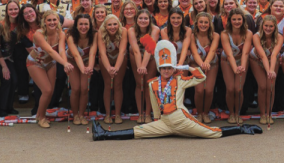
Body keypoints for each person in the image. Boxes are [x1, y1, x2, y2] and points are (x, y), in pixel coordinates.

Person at [91, 40, 262, 140]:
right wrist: (156, 121)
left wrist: (186, 66)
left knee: (212, 134)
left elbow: (201, 77)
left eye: (169, 68)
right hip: (164, 122)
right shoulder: (152, 83)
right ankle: (103, 135)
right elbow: (155, 106)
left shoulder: (179, 79)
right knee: (138, 132)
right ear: (159, 68)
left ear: (173, 69)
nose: (166, 71)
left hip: (181, 119)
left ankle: (242, 129)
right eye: (163, 68)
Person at [220, 8, 252, 124]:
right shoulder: (224, 34)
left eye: (239, 19)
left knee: (238, 89)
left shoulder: (248, 33)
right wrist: (235, 69)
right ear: (230, 20)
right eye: (234, 19)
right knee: (230, 88)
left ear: (243, 20)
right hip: (227, 61)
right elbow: (229, 54)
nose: (237, 22)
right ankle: (231, 113)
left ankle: (237, 112)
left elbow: (245, 52)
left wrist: (242, 67)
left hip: (242, 60)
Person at [98, 13, 128, 125]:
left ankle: (118, 114)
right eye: (109, 24)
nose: (112, 27)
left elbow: (122, 51)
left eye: (115, 24)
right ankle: (108, 114)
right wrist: (108, 68)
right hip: (105, 59)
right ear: (105, 26)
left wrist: (116, 68)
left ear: (119, 24)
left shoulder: (123, 31)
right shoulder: (100, 32)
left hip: (120, 59)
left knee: (118, 85)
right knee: (107, 85)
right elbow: (102, 52)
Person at [189, 12, 219, 123]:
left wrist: (206, 62)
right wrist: (202, 64)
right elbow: (194, 52)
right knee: (200, 90)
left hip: (212, 64)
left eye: (206, 22)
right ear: (196, 23)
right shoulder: (192, 36)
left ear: (210, 24)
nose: (203, 24)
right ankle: (199, 113)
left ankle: (206, 113)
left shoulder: (215, 35)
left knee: (209, 90)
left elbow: (212, 50)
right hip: (196, 64)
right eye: (201, 22)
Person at [67, 13, 97, 125]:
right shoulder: (70, 35)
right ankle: (75, 115)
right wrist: (84, 69)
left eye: (86, 24)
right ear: (76, 25)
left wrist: (89, 67)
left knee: (84, 88)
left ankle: (82, 114)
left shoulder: (94, 35)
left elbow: (93, 53)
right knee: (76, 88)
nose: (83, 27)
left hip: (86, 61)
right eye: (80, 24)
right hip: (72, 61)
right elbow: (76, 55)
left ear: (90, 25)